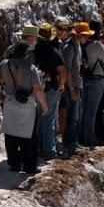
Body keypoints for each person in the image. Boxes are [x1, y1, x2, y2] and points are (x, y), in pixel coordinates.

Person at [0, 41, 46, 175]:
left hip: (9, 102)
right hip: (27, 104)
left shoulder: (4, 64)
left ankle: (14, 163)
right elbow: (37, 88)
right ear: (25, 55)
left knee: (11, 134)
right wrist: (43, 104)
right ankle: (29, 166)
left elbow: (0, 80)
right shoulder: (31, 69)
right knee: (29, 137)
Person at [29, 24, 65, 161]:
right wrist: (61, 85)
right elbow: (62, 72)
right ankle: (50, 152)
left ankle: (39, 147)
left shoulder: (32, 52)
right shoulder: (54, 52)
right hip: (51, 89)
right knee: (49, 120)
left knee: (38, 119)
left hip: (35, 89)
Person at [75, 21, 104, 149]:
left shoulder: (82, 45)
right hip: (96, 78)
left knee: (83, 111)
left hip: (85, 78)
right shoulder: (96, 45)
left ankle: (81, 138)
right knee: (92, 111)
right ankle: (90, 139)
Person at [55, 19, 81, 156]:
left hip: (69, 85)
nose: (61, 32)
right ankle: (68, 144)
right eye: (59, 28)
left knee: (70, 115)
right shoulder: (68, 47)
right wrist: (70, 89)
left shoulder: (71, 45)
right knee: (71, 116)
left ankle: (69, 143)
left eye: (64, 29)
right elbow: (67, 70)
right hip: (67, 86)